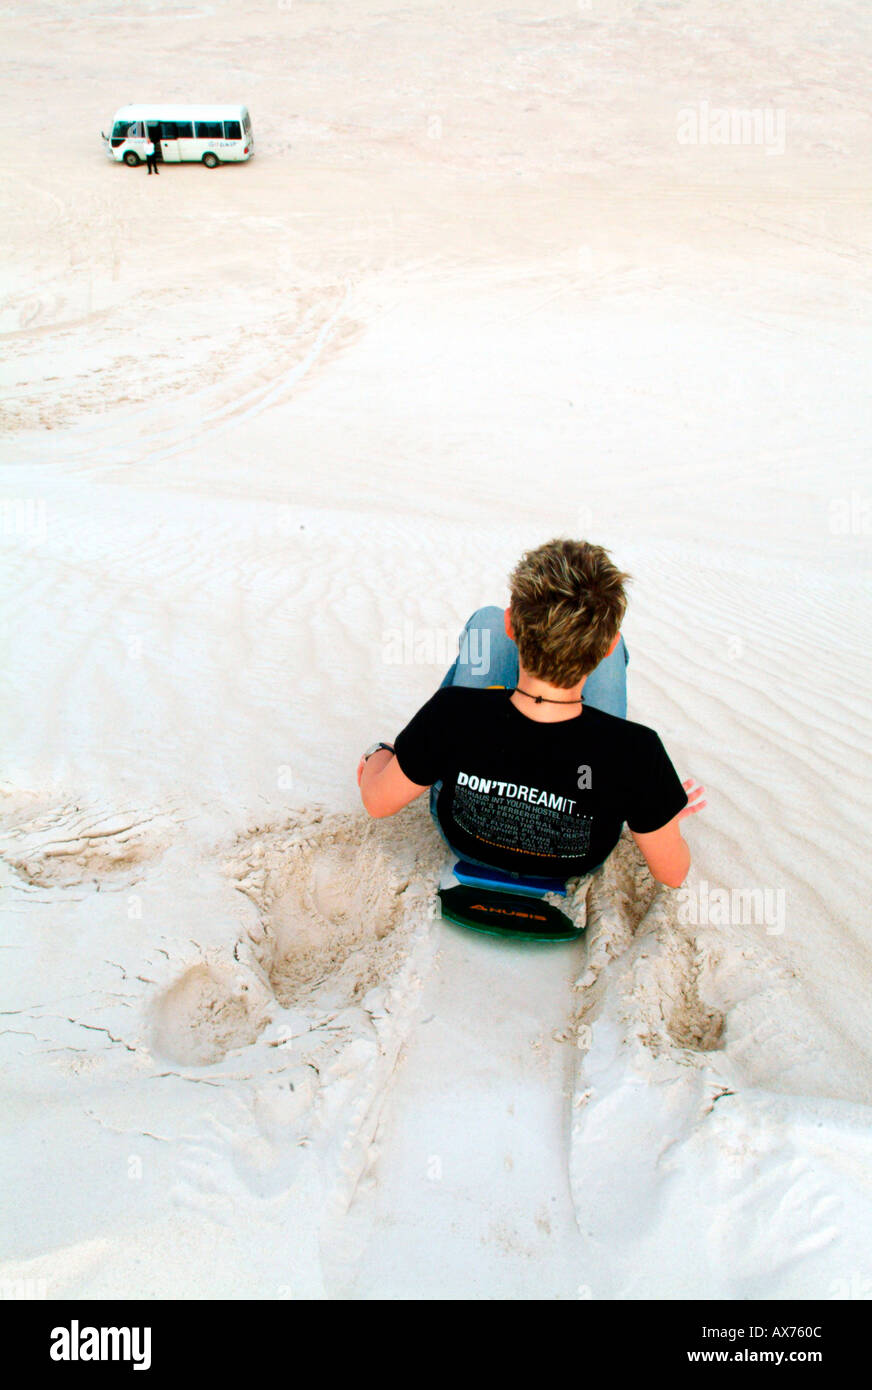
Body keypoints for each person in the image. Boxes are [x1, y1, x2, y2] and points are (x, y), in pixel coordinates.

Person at [357, 538, 705, 888]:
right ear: (607, 645)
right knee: (607, 748)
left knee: (484, 622)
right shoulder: (638, 750)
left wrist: (380, 754)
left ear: (513, 626)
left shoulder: (452, 712)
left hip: (468, 841)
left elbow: (377, 802)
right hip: (572, 860)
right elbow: (673, 874)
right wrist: (662, 816)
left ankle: (431, 750)